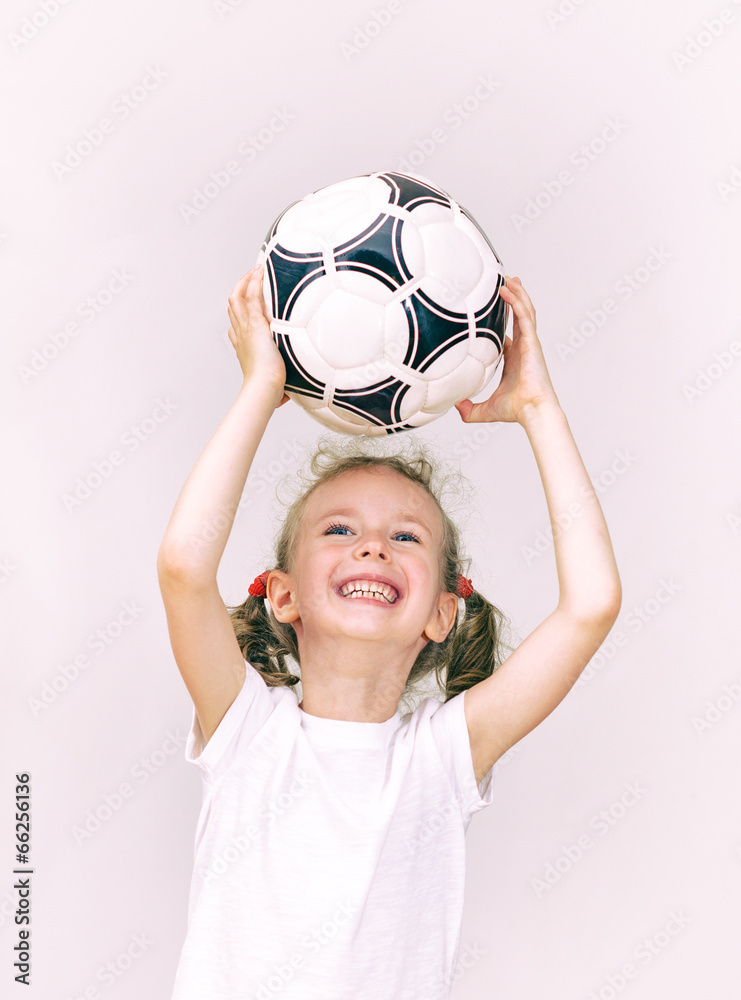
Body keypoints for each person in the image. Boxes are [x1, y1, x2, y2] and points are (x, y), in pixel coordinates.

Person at [157, 265, 622, 1000]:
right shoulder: (247, 732)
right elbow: (184, 566)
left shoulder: (440, 758)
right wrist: (258, 391)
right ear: (283, 594)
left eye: (405, 537)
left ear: (441, 611)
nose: (372, 547)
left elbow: (591, 604)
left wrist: (536, 406)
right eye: (339, 530)